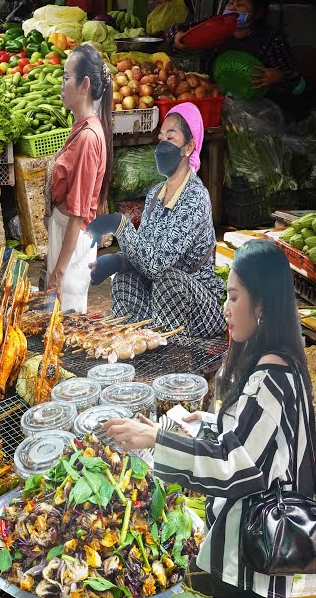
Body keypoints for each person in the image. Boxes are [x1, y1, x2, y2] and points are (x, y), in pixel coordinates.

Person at [104, 238, 315, 598]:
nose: (225, 309)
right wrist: (206, 422)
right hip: (250, 549)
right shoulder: (281, 363)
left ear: (261, 305)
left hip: (252, 561)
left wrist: (156, 439)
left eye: (233, 297)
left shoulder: (272, 379)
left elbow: (233, 466)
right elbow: (254, 440)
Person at [92, 103, 226, 337]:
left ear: (189, 147)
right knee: (124, 279)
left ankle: (174, 353)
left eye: (170, 138)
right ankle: (135, 345)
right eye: (160, 137)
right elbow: (143, 251)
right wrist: (117, 262)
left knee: (169, 280)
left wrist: (119, 225)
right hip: (160, 297)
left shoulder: (195, 197)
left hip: (198, 304)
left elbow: (156, 265)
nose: (162, 145)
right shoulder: (155, 194)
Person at [46, 44, 114, 312]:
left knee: (67, 325)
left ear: (84, 84)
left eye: (66, 78)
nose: (62, 85)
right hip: (66, 236)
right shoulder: (83, 126)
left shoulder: (87, 138)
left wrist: (60, 272)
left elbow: (78, 214)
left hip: (72, 243)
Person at [173, 0, 305, 106]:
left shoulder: (272, 41)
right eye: (230, 3)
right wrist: (177, 36)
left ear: (258, 13)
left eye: (240, 5)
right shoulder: (213, 27)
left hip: (255, 107)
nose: (232, 8)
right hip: (211, 97)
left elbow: (296, 80)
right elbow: (175, 29)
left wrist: (278, 77)